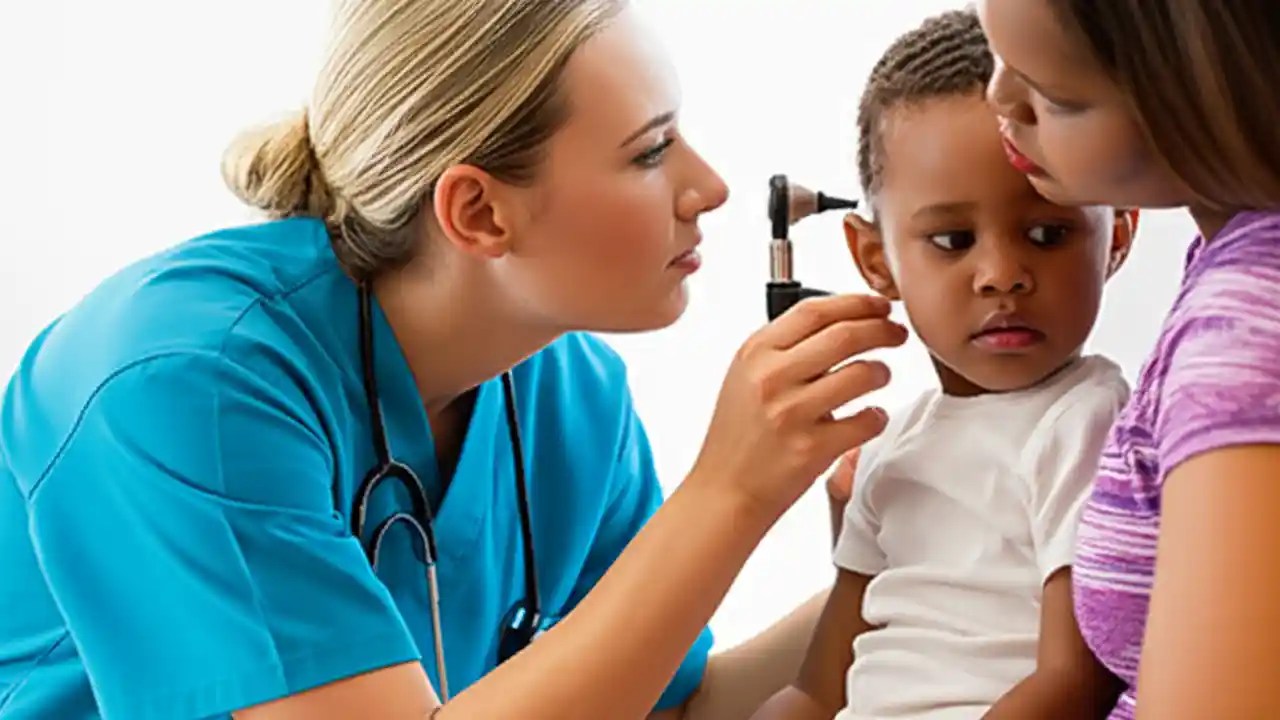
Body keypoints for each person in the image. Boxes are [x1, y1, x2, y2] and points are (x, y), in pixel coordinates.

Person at [0, 2, 909, 719]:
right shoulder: (181, 384)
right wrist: (729, 492)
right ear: (477, 211)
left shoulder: (565, 390)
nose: (707, 187)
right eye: (649, 152)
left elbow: (669, 708)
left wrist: (898, 562)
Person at [750, 9, 1137, 719]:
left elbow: (1074, 681)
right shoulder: (888, 449)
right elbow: (819, 684)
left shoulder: (1087, 422)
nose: (1001, 274)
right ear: (876, 260)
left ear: (1118, 235)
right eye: (954, 239)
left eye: (1049, 233)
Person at [976, 1, 1280, 718]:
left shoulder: (1245, 330)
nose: (1000, 98)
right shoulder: (1230, 268)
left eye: (1054, 96)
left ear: (1214, 92)